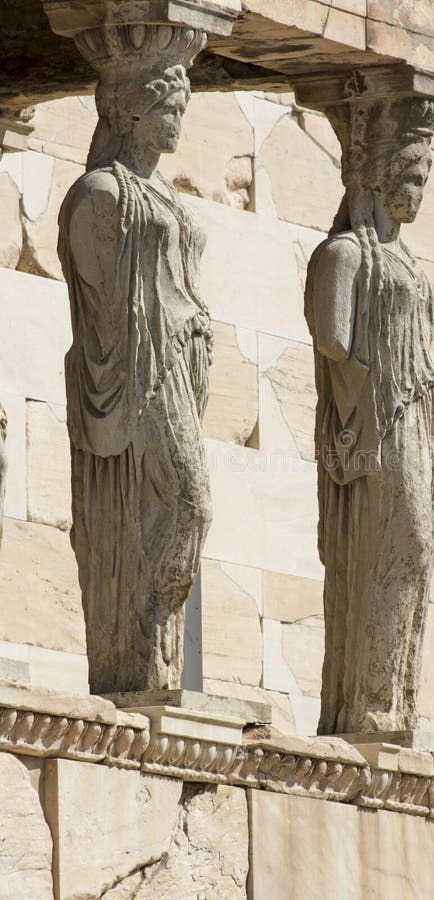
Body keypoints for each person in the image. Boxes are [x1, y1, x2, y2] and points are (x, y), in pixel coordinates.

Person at [58, 58, 212, 694]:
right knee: (191, 501)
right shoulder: (101, 194)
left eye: (181, 110)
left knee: (181, 505)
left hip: (181, 364)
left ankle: (160, 663)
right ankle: (141, 645)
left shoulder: (162, 192)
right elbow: (100, 302)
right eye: (167, 109)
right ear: (132, 112)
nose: (177, 121)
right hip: (141, 372)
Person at [305, 98, 434, 735]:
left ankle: (389, 701)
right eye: (409, 178)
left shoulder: (408, 262)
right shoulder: (344, 255)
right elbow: (332, 338)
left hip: (422, 419)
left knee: (417, 549)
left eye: (422, 179)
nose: (417, 191)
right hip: (378, 420)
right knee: (397, 540)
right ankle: (364, 701)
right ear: (380, 179)